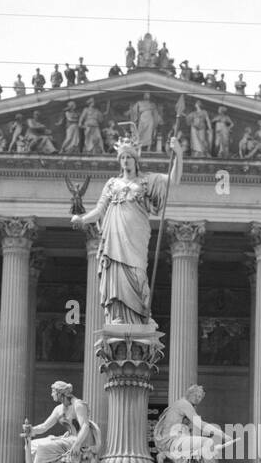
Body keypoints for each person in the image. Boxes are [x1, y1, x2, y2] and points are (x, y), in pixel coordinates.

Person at [70, 134, 182, 324]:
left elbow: (173, 180)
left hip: (136, 235)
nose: (125, 160)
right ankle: (118, 315)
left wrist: (178, 154)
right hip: (114, 236)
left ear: (135, 159)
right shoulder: (112, 184)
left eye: (129, 156)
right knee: (116, 272)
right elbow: (99, 211)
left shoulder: (147, 181)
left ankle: (140, 314)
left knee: (137, 272)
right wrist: (82, 219)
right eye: (122, 157)